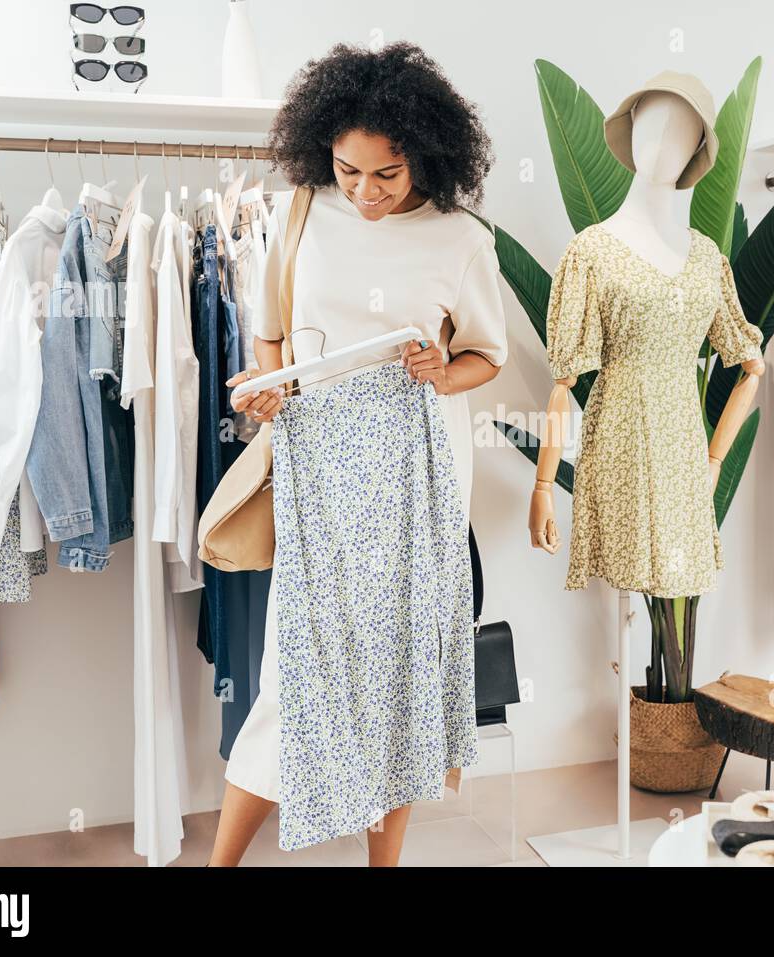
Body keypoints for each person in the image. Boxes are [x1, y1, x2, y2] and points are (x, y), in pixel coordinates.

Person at [210, 41, 507, 867]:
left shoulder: (460, 239)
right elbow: (269, 334)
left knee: (403, 685)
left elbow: (488, 356)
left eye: (388, 173)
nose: (366, 192)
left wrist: (443, 372)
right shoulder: (301, 213)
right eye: (349, 171)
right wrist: (273, 391)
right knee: (292, 685)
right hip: (320, 480)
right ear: (323, 154)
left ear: (426, 154)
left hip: (418, 486)